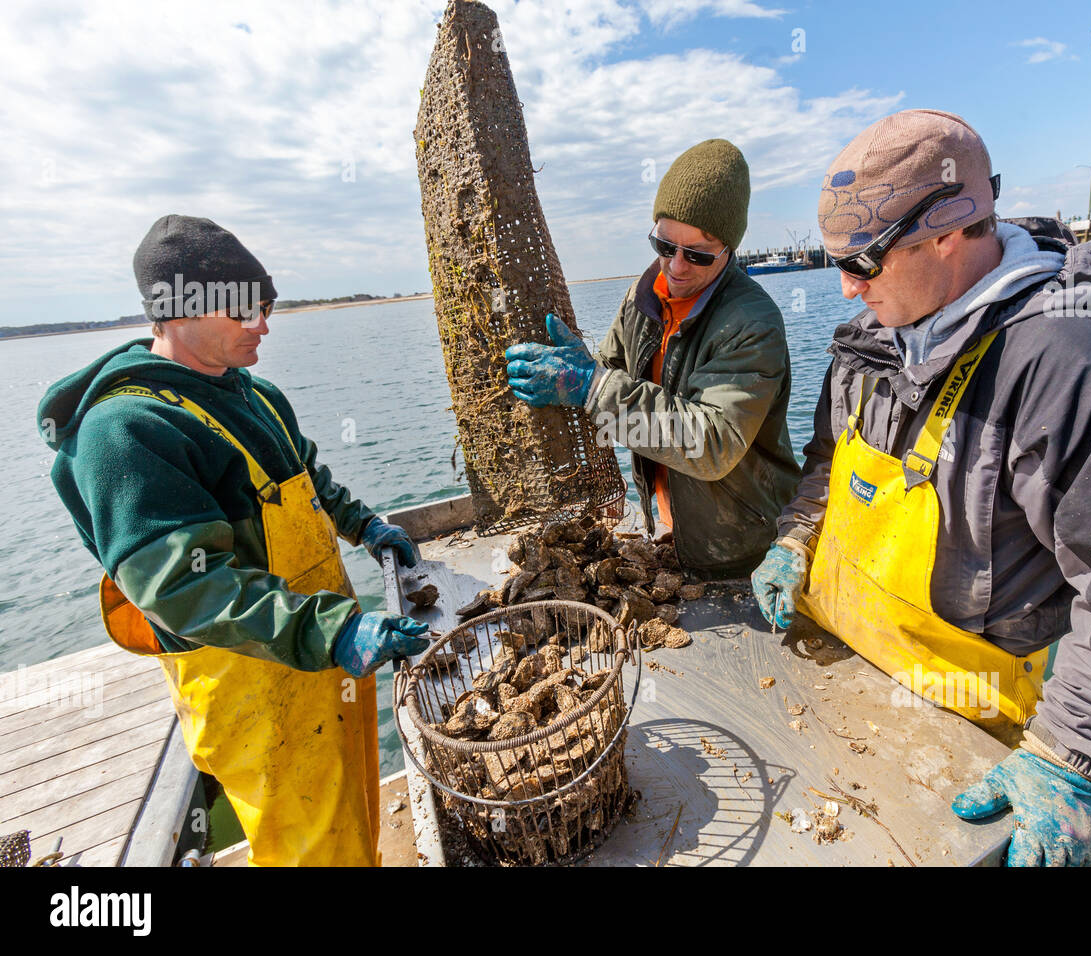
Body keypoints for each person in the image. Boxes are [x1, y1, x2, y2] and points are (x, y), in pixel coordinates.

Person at [750, 110, 1091, 865]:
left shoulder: (1086, 373)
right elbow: (825, 464)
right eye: (832, 260)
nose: (844, 289)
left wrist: (1069, 752)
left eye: (864, 262)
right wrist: (795, 539)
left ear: (946, 232)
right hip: (846, 679)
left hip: (973, 732)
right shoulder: (869, 342)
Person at [38, 215, 431, 866]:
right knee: (306, 850)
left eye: (266, 305)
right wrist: (331, 631)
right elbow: (184, 587)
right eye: (242, 308)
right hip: (256, 695)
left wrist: (364, 526)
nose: (263, 325)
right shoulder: (125, 432)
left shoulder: (256, 396)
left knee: (352, 823)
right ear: (174, 311)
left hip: (323, 660)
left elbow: (310, 481)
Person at [504, 139, 800, 578]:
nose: (676, 267)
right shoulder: (644, 296)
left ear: (728, 249)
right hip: (671, 531)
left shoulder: (752, 322)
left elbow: (712, 442)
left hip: (744, 549)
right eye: (665, 245)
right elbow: (611, 376)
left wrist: (592, 386)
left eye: (697, 254)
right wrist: (579, 372)